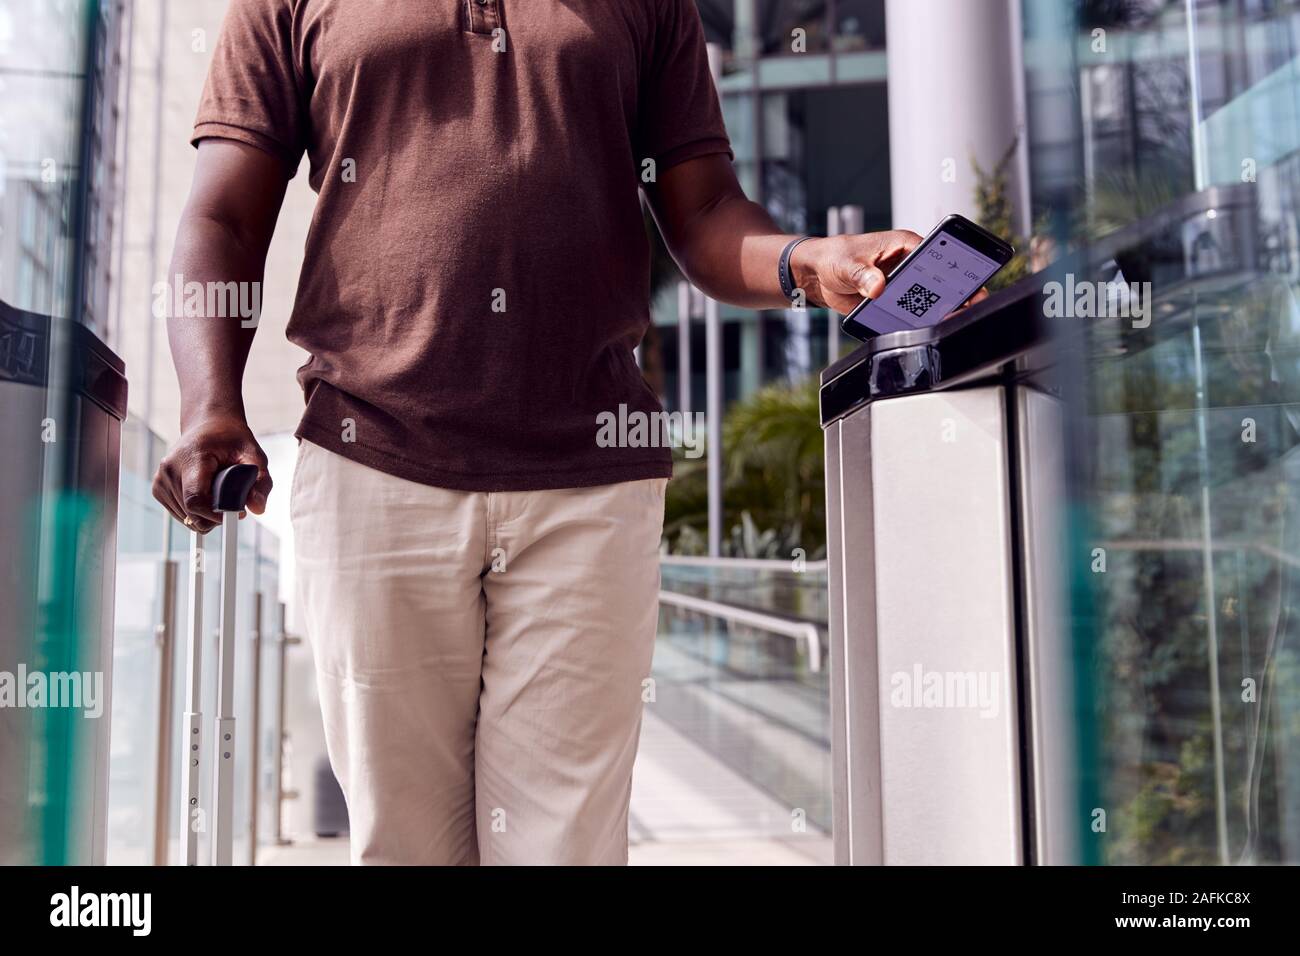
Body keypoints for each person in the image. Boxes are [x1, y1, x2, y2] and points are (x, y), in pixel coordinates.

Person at [152, 0, 925, 865]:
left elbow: (705, 214)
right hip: (371, 461)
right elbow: (222, 216)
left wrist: (805, 263)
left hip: (588, 481)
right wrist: (209, 405)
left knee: (566, 850)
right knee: (402, 848)